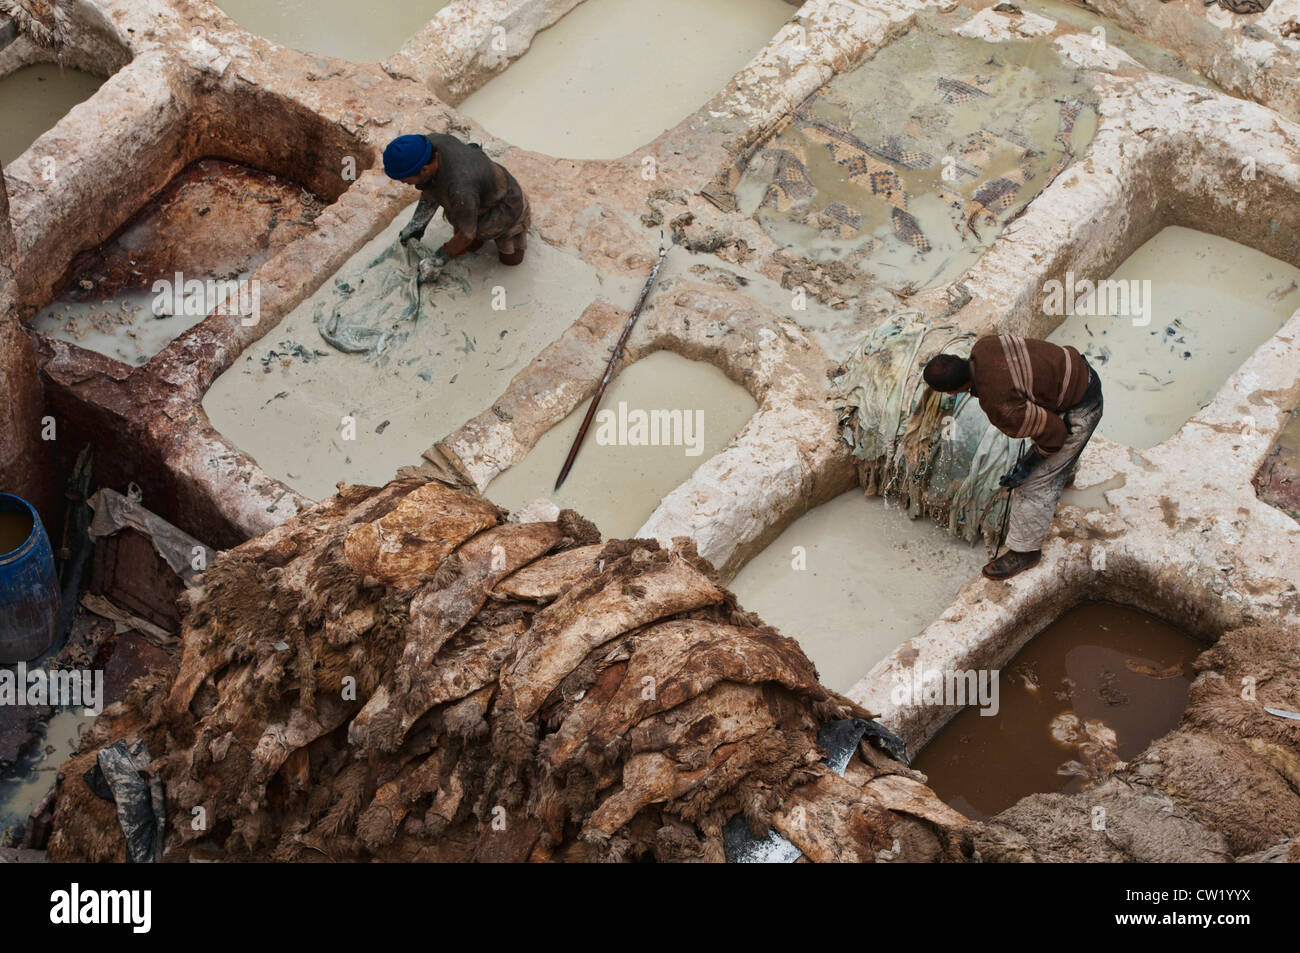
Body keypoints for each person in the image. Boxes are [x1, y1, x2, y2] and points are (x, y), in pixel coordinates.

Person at [922, 335, 1103, 580]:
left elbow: (1055, 435)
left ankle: (1025, 552)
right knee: (1044, 437)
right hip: (1077, 370)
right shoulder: (985, 346)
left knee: (1034, 484)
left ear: (953, 391)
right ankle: (1065, 471)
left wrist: (1029, 465)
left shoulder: (999, 405)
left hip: (1082, 405)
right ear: (956, 357)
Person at [381, 133, 531, 282]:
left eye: (406, 180)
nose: (403, 183)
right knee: (471, 245)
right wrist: (417, 224)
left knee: (511, 260)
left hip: (503, 204)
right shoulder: (428, 146)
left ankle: (514, 230)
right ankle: (476, 234)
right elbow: (429, 189)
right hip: (472, 199)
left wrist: (437, 260)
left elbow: (466, 234)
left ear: (424, 169)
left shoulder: (460, 189)